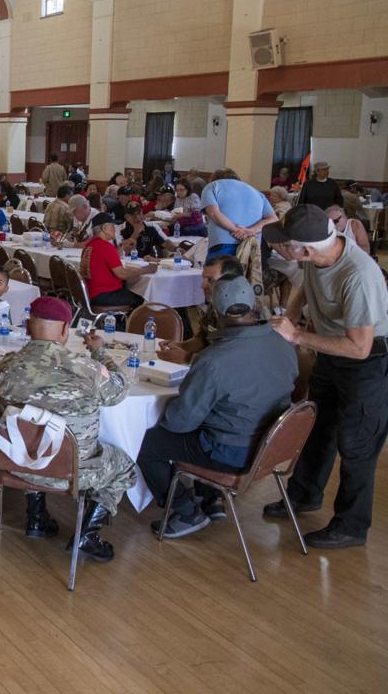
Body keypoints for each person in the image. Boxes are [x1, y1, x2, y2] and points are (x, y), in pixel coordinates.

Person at [264, 205, 388, 549]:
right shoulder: (318, 255)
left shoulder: (357, 275)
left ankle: (351, 525)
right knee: (317, 427)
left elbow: (360, 347)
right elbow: (305, 285)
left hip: (368, 362)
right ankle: (303, 496)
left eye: (283, 245)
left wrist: (297, 337)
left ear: (304, 249)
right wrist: (290, 314)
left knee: (357, 443)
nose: (278, 248)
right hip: (332, 354)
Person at [140, 276, 297, 537]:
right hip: (272, 445)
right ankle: (210, 498)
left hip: (232, 451)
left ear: (215, 312)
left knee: (146, 443)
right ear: (253, 305)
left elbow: (180, 422)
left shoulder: (213, 360)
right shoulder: (283, 344)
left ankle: (185, 511)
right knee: (217, 419)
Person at [0, 297, 135, 558]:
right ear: (64, 330)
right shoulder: (87, 369)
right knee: (124, 465)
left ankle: (36, 517)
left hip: (18, 461)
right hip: (71, 470)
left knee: (35, 437)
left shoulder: (7, 366)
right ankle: (87, 534)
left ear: (27, 326)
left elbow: (4, 400)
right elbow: (119, 391)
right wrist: (100, 352)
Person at [156, 253, 245, 363]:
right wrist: (181, 346)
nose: (203, 285)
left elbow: (233, 361)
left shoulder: (242, 314)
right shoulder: (215, 306)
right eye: (204, 279)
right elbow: (203, 339)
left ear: (231, 282)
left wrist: (188, 358)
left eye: (210, 280)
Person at [80, 213, 156, 310]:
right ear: (104, 228)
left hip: (90, 293)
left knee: (129, 291)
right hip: (104, 295)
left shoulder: (89, 245)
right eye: (112, 226)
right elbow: (122, 274)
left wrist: (117, 251)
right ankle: (128, 324)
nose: (115, 229)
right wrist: (146, 269)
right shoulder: (105, 246)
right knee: (142, 299)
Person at [199, 169, 278, 258]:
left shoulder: (212, 186)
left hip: (223, 242)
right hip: (251, 243)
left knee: (220, 271)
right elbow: (273, 219)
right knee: (245, 272)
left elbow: (214, 213)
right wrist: (250, 231)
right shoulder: (258, 193)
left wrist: (236, 230)